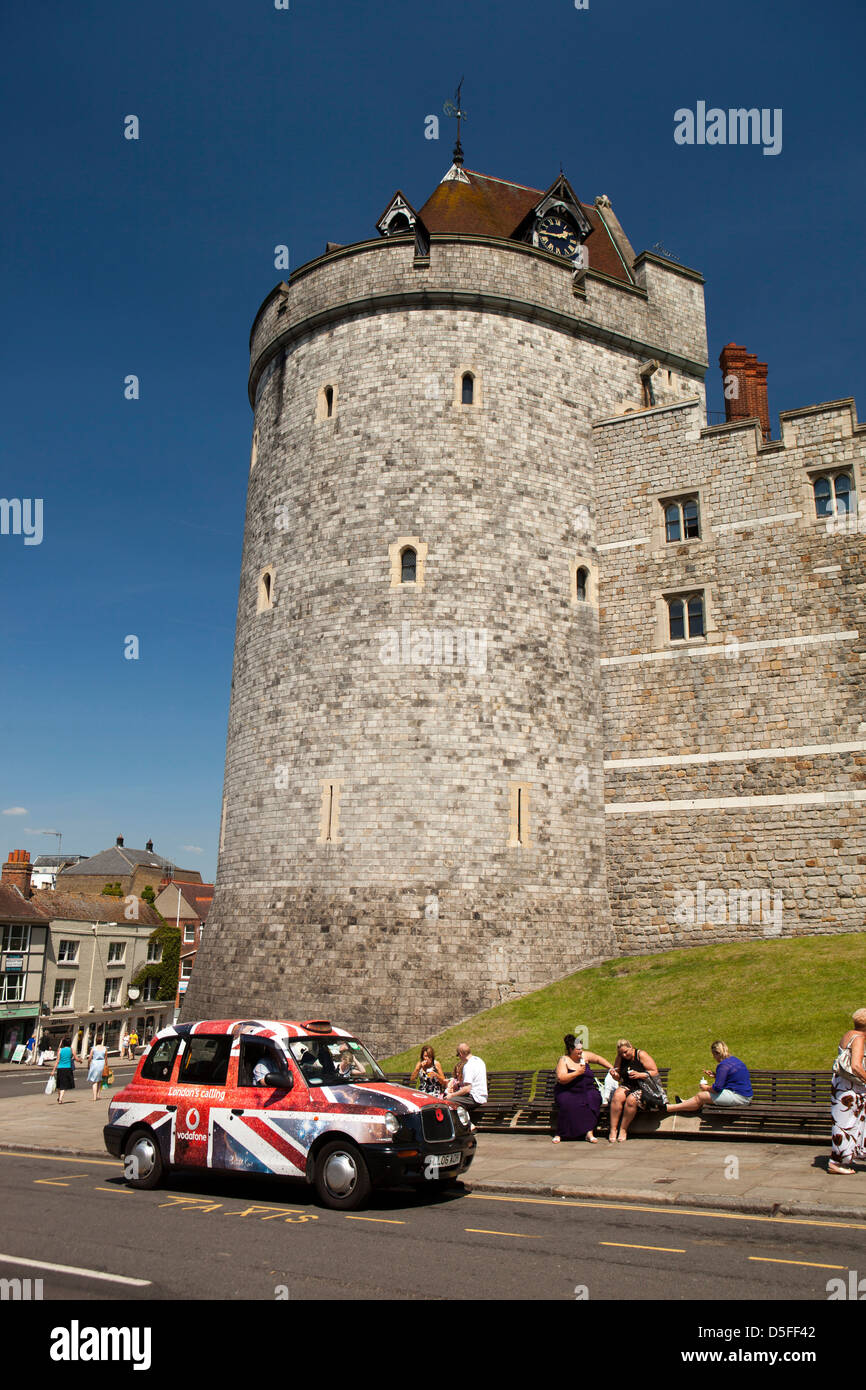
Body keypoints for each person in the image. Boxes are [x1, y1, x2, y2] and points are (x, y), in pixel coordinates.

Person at [552, 1035, 615, 1143]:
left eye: (581, 1048)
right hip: (568, 1090)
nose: (581, 1051)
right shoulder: (564, 1060)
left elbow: (598, 1059)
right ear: (571, 1049)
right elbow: (561, 1078)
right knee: (568, 1102)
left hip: (587, 1089)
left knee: (593, 1098)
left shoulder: (584, 1056)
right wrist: (577, 1073)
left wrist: (611, 1068)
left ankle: (589, 1133)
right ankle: (561, 1133)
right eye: (578, 1049)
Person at [666, 1041, 752, 1114]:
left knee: (701, 1096)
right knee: (702, 1096)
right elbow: (733, 1078)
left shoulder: (723, 1065)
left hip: (740, 1097)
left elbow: (717, 1089)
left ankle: (670, 1108)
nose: (713, 1057)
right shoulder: (734, 1060)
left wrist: (705, 1087)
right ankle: (684, 1102)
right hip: (745, 1095)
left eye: (713, 1054)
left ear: (717, 1053)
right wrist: (716, 1076)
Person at [829, 1008, 866, 1175]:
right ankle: (836, 1162)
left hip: (843, 1086)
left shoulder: (849, 1034)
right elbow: (856, 1066)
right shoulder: (859, 1038)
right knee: (847, 1124)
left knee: (845, 1123)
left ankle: (842, 1159)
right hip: (851, 1089)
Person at [608, 1039, 659, 1142]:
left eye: (626, 1052)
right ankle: (613, 1129)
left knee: (631, 1100)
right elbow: (618, 1077)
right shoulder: (620, 1058)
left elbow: (654, 1072)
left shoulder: (641, 1055)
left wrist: (640, 1074)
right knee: (617, 1096)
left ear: (631, 1047)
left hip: (643, 1086)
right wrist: (614, 1075)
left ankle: (623, 1129)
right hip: (628, 1084)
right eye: (621, 1053)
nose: (624, 1055)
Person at [445, 1042, 487, 1118]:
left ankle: (462, 1125)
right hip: (483, 1096)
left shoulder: (468, 1066)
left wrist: (452, 1095)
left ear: (460, 1054)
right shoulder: (479, 1060)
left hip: (475, 1098)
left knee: (447, 1102)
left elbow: (467, 1089)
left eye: (458, 1055)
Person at [51, 1037, 75, 1104]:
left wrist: (53, 1070)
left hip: (60, 1069)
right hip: (67, 1068)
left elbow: (57, 1061)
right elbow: (75, 1057)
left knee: (59, 1084)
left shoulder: (60, 1050)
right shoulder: (71, 1050)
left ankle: (59, 1097)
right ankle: (60, 1098)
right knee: (64, 1085)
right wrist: (80, 1060)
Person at [87, 1037, 109, 1102]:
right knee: (100, 1080)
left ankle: (94, 1097)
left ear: (95, 1041)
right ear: (102, 1041)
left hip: (95, 1063)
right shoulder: (104, 1048)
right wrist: (106, 1066)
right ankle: (98, 1095)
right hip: (102, 1063)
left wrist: (88, 1065)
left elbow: (90, 1058)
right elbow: (106, 1058)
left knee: (94, 1081)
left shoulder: (93, 1048)